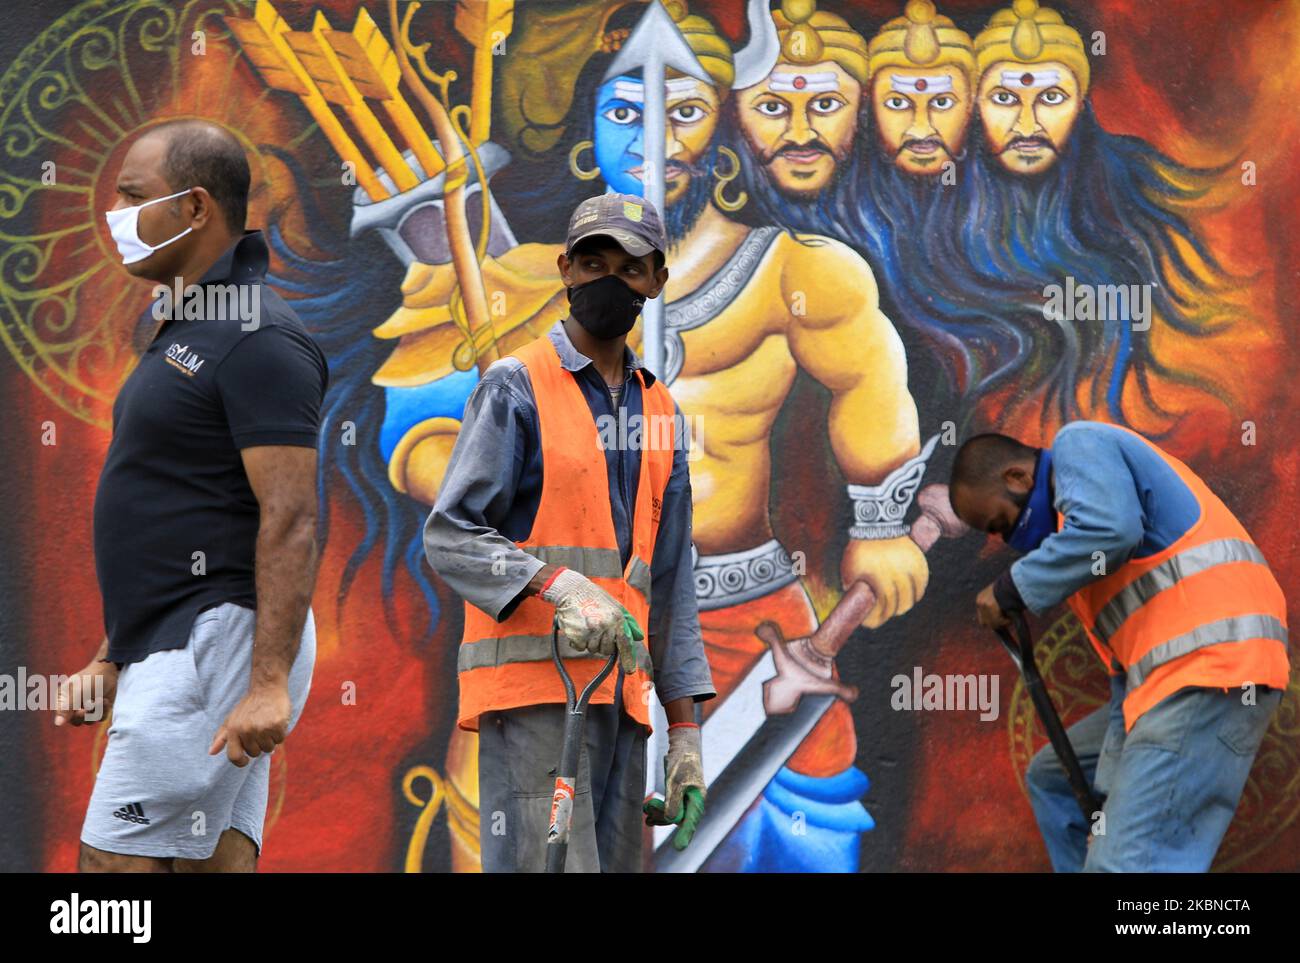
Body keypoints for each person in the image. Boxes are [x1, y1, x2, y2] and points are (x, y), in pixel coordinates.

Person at [55, 120, 327, 873]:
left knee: (112, 873)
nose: (116, 214)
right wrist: (115, 658)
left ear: (196, 207)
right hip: (183, 638)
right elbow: (178, 515)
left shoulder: (258, 337)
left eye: (134, 196)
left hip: (218, 645)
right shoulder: (187, 327)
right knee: (215, 862)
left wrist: (267, 680)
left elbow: (293, 514)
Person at [424, 193, 715, 872]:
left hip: (623, 704)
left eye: (629, 266)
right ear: (565, 270)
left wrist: (687, 739)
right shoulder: (515, 386)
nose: (609, 279)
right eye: (593, 262)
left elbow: (669, 585)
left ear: (657, 280)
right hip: (535, 701)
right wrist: (557, 585)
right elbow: (450, 533)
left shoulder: (660, 411)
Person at [948, 420, 1289, 872]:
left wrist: (1011, 589)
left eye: (1000, 523)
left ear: (1018, 478)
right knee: (1055, 780)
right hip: (1167, 684)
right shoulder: (1085, 573)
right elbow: (1123, 680)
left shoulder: (1079, 445)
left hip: (1211, 670)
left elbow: (1113, 531)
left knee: (1125, 867)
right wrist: (1108, 791)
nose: (1005, 540)